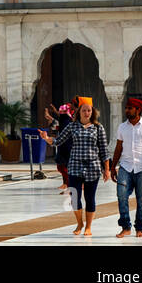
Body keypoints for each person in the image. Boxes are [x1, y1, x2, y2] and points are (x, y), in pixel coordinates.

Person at [40, 96, 110, 236]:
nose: (86, 113)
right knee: (74, 197)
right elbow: (58, 140)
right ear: (79, 112)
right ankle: (79, 223)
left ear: (92, 112)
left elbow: (104, 149)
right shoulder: (72, 126)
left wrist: (106, 169)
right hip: (75, 167)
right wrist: (46, 138)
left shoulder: (98, 127)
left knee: (90, 198)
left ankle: (88, 227)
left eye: (89, 110)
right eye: (84, 110)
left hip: (93, 167)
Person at [111, 97, 142, 238]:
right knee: (121, 195)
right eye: (126, 108)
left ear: (138, 110)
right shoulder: (122, 127)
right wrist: (113, 167)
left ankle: (140, 228)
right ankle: (125, 227)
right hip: (125, 167)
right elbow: (118, 148)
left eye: (130, 108)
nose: (127, 110)